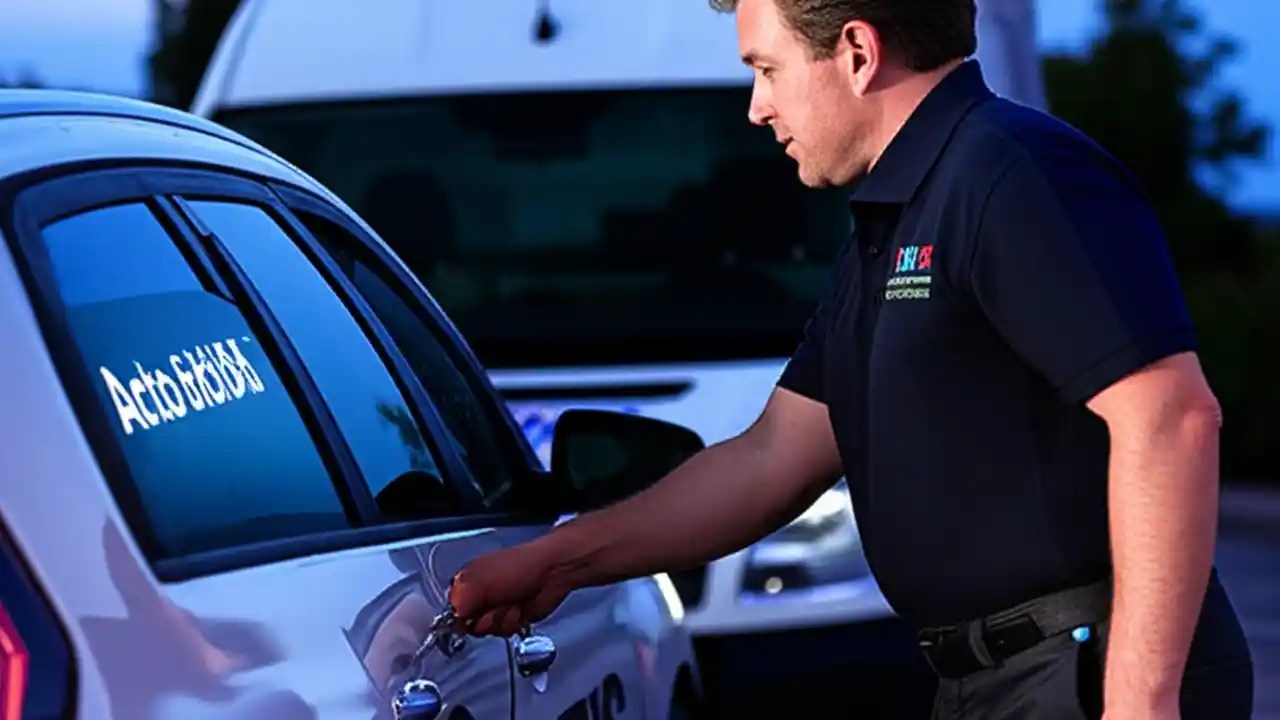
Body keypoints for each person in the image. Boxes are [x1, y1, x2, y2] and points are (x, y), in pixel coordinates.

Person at [447, 0, 1255, 716]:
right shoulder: (893, 219)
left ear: (858, 54)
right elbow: (770, 460)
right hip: (996, 680)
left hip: (1084, 674)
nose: (758, 107)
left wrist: (1141, 699)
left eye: (766, 69)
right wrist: (555, 562)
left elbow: (1171, 416)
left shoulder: (1013, 174)